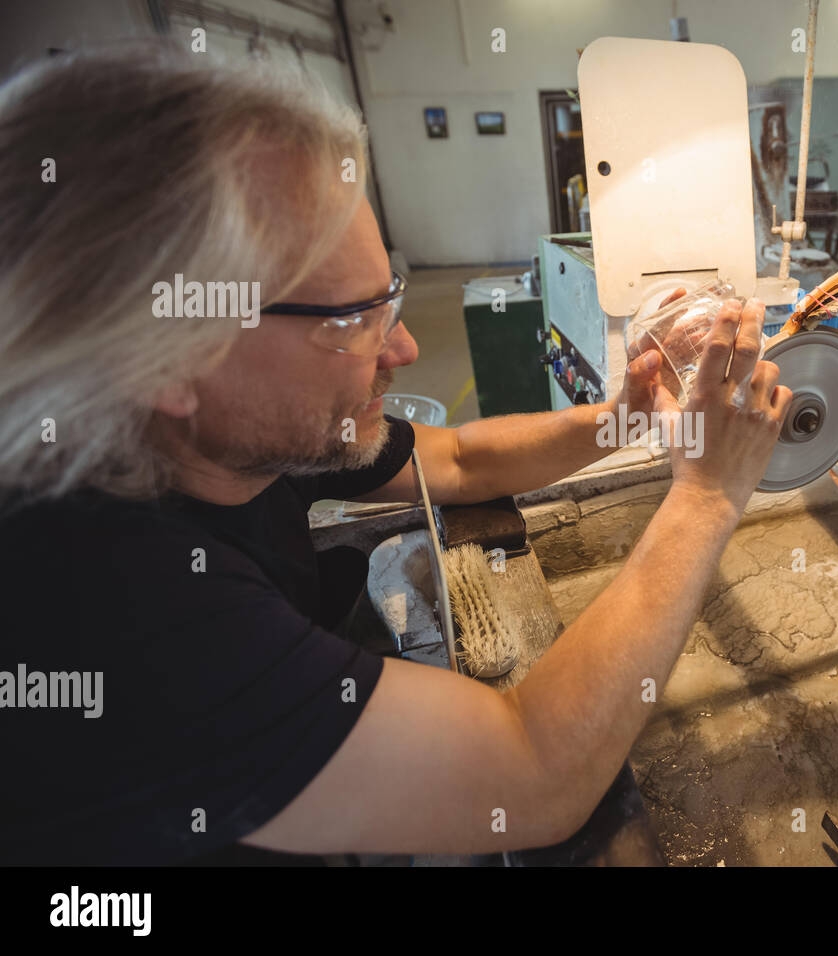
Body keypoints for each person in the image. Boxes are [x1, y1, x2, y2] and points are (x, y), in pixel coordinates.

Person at [0, 44, 793, 864]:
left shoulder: (220, 435)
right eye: (353, 321)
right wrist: (705, 496)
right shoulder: (116, 616)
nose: (407, 347)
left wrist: (620, 418)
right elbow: (532, 775)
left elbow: (460, 462)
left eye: (392, 301)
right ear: (167, 356)